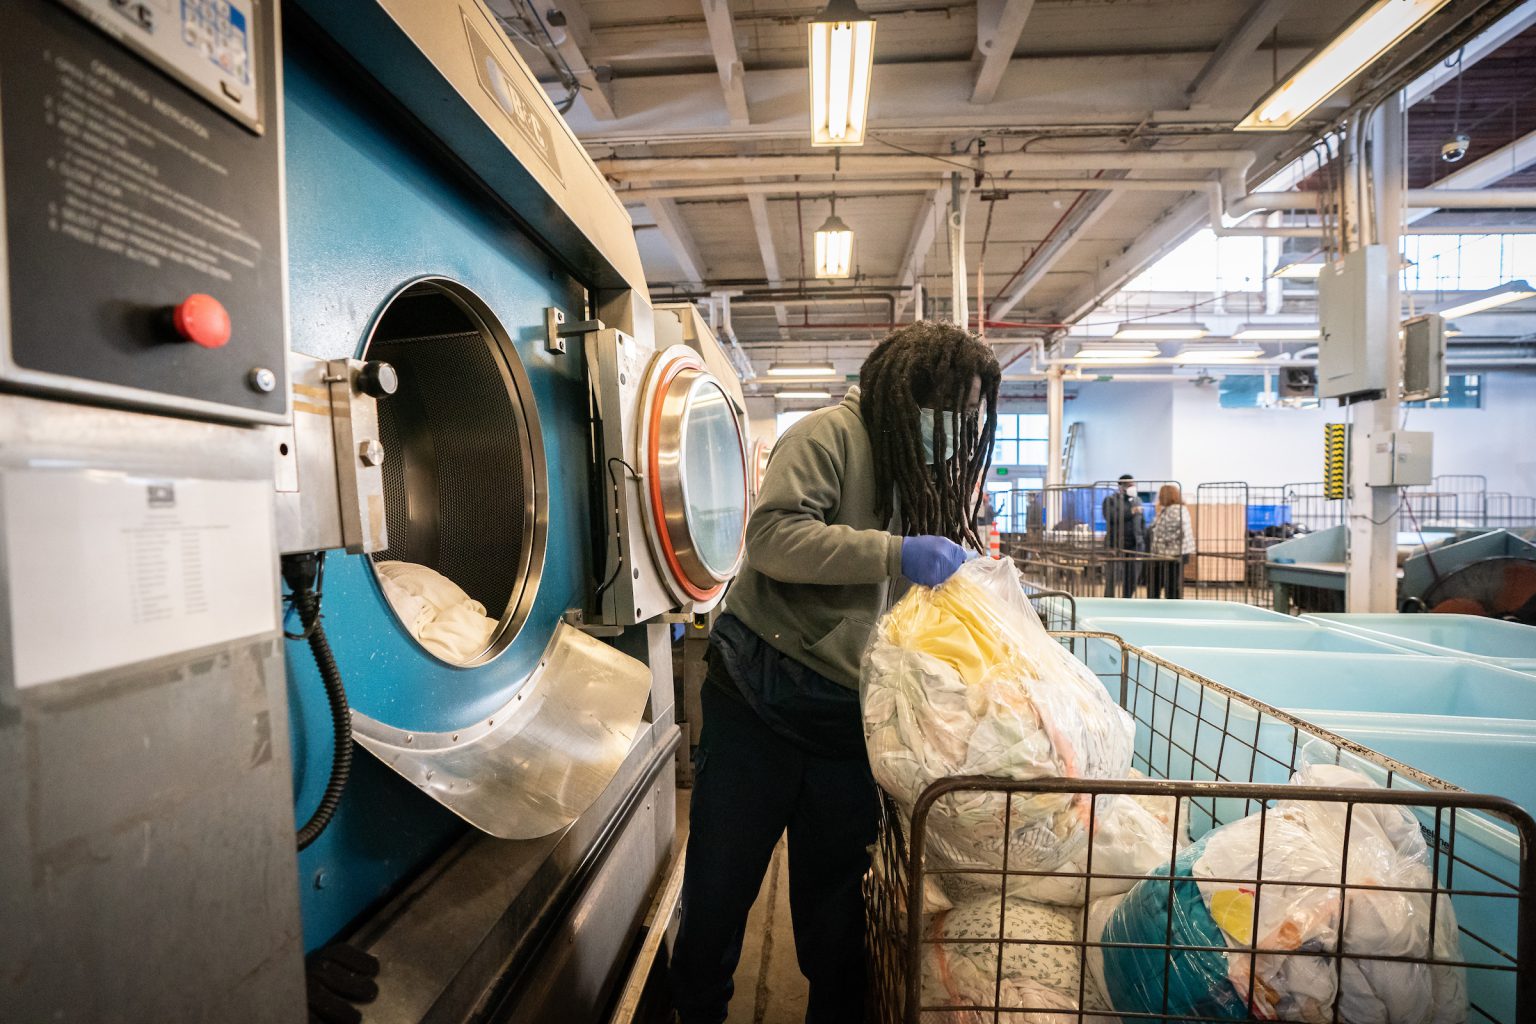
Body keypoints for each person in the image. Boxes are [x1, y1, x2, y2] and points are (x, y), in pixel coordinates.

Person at [669, 322, 1001, 1024]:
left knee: (838, 919)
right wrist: (894, 553)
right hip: (759, 697)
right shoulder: (827, 435)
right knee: (719, 893)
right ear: (912, 396)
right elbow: (772, 538)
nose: (961, 428)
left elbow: (909, 603)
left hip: (849, 719)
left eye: (972, 414)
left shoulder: (921, 472)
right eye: (954, 409)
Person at [1148, 483, 1196, 599]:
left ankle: (1170, 605)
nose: (1159, 498)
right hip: (1167, 553)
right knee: (1167, 583)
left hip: (1173, 553)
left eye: (1160, 495)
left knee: (1171, 585)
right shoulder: (1170, 509)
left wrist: (1161, 540)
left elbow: (1179, 531)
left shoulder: (1175, 510)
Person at [1102, 473, 1145, 597]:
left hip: (1135, 545)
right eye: (1129, 485)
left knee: (1132, 578)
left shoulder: (1137, 500)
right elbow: (1111, 517)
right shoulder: (1110, 500)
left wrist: (1141, 538)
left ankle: (1127, 599)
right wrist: (1130, 512)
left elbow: (1141, 521)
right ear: (1121, 486)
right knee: (1113, 577)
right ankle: (1108, 601)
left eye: (1133, 484)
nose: (1132, 487)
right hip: (1116, 544)